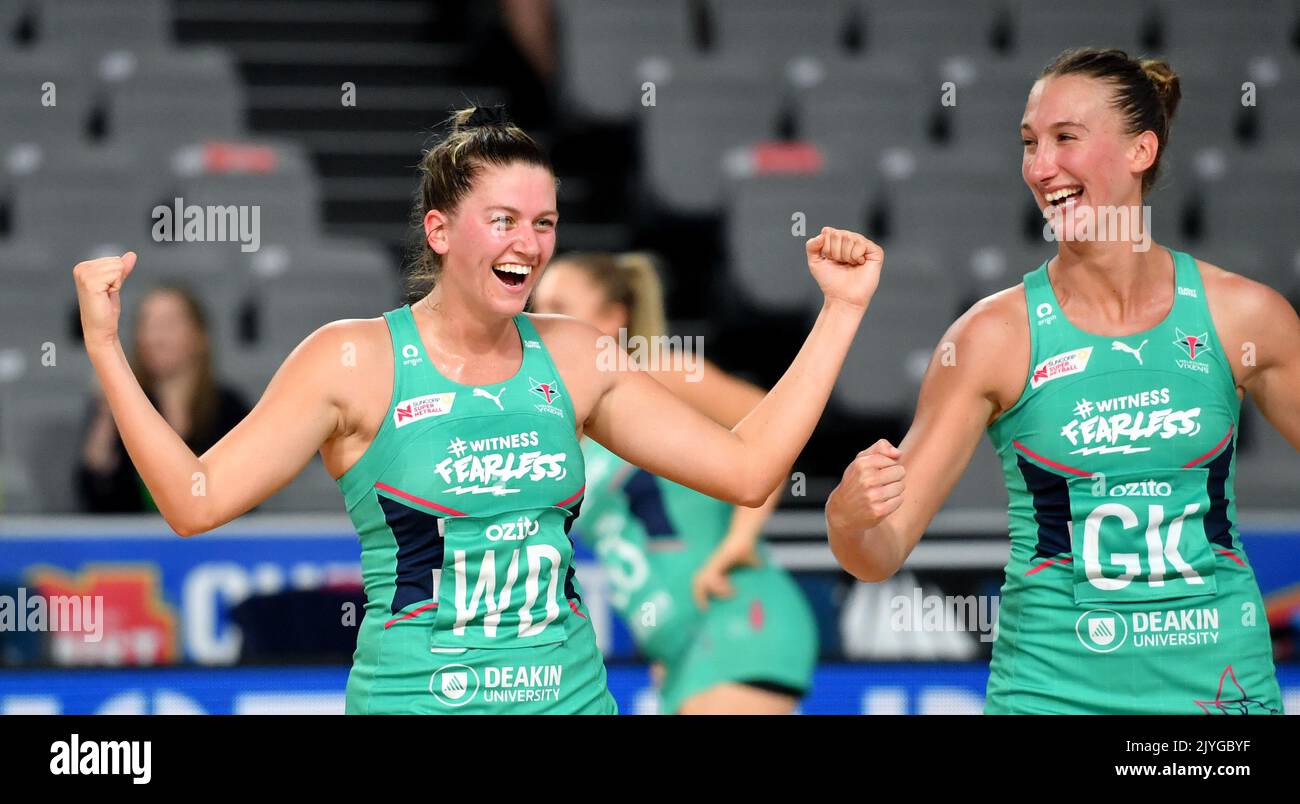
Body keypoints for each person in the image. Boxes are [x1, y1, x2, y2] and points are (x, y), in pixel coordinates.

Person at [72, 106, 884, 714]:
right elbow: (195, 498)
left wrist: (841, 313)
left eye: (544, 223)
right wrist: (108, 348)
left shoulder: (574, 354)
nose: (529, 244)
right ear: (439, 231)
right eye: (503, 221)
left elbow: (749, 469)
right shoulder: (351, 359)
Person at [826, 48, 1296, 714]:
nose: (1041, 168)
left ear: (1141, 150)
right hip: (1049, 696)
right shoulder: (990, 338)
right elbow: (878, 553)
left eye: (1064, 140)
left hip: (1220, 701)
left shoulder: (1246, 316)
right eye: (1029, 144)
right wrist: (847, 520)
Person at [532, 251, 818, 714]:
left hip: (736, 619)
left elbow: (776, 431)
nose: (542, 323)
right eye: (536, 308)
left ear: (611, 319)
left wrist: (740, 540)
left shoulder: (658, 373)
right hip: (680, 657)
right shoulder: (560, 418)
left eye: (559, 305)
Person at [76, 284, 249, 513]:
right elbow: (96, 492)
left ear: (200, 335)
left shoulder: (229, 406)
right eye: (146, 324)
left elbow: (244, 491)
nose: (154, 337)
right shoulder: (122, 405)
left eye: (169, 324)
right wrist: (106, 411)